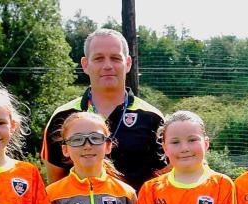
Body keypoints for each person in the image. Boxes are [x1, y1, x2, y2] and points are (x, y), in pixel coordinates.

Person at [41, 28, 166, 190]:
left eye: (115, 58)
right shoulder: (62, 116)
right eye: (99, 58)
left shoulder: (152, 118)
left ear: (128, 63)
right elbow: (55, 184)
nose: (107, 66)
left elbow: (164, 182)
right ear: (85, 65)